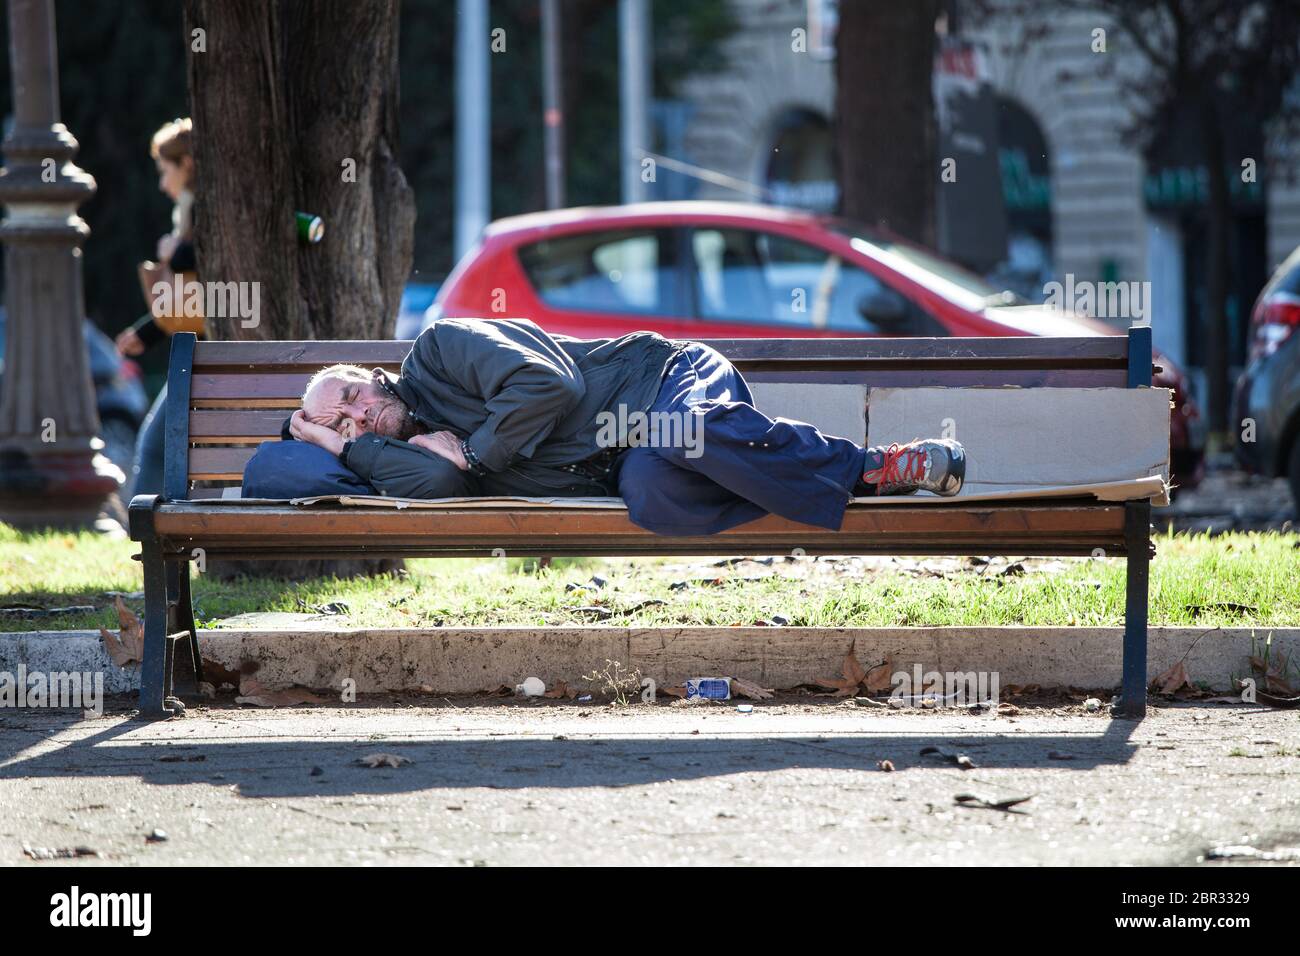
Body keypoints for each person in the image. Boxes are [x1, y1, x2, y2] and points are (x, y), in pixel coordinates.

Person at [254, 317, 966, 536]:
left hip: (661, 383)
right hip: (622, 463)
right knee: (655, 498)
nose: (358, 411)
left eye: (351, 392)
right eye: (342, 420)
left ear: (373, 375)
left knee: (680, 432)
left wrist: (474, 449)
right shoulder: (403, 452)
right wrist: (325, 442)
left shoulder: (439, 349)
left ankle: (871, 467)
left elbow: (550, 382)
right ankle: (845, 485)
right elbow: (438, 480)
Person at [115, 117, 202, 499]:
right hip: (200, 352)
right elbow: (196, 299)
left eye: (165, 171)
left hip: (204, 357)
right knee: (165, 448)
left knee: (155, 447)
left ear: (186, 165)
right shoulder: (189, 210)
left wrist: (176, 252)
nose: (162, 183)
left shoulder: (201, 211)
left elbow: (208, 280)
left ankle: (146, 538)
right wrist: (146, 332)